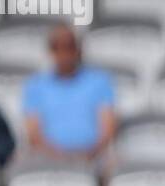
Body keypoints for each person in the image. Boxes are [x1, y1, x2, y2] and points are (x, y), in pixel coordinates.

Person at [21, 23, 116, 164]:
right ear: (50, 51)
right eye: (57, 47)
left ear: (78, 49)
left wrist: (88, 155)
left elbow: (108, 129)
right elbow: (34, 135)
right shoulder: (35, 85)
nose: (64, 53)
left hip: (93, 159)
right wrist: (59, 158)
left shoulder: (100, 81)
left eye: (69, 46)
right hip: (49, 160)